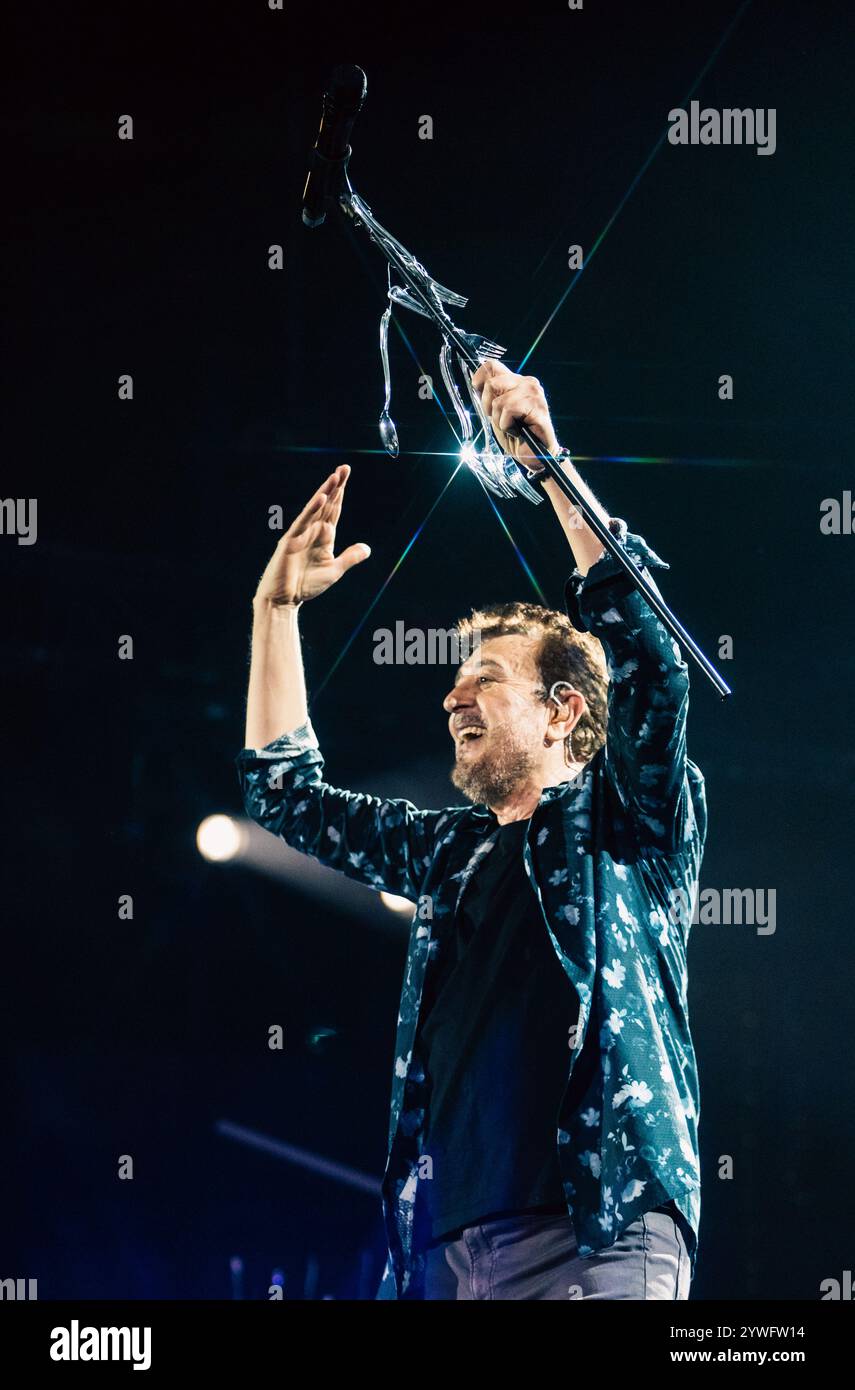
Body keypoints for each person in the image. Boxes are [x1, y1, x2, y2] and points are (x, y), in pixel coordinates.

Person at [236, 360, 707, 1300]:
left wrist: (549, 465)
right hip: (453, 1255)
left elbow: (654, 663)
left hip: (600, 1232)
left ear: (564, 708)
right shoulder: (452, 853)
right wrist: (275, 611)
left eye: (484, 676)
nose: (452, 692)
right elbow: (286, 794)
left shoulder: (629, 824)